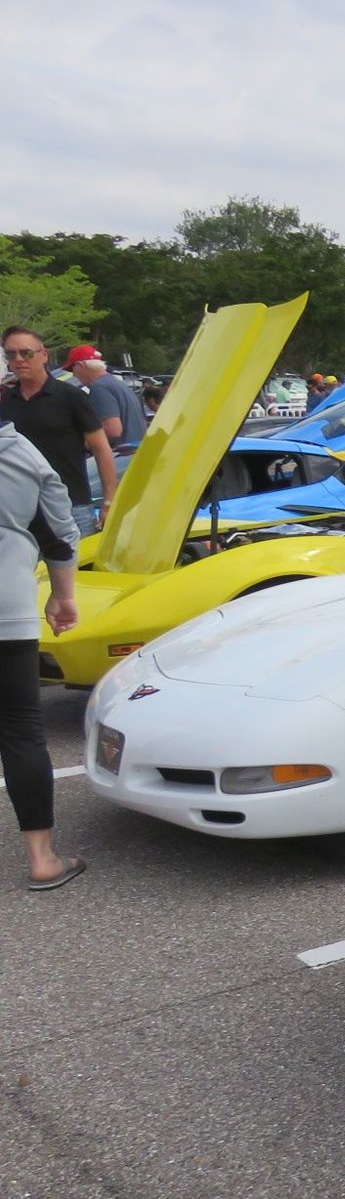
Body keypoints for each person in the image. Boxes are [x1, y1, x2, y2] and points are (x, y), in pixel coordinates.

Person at [0, 419, 84, 889]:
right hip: (6, 607)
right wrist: (62, 594)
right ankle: (42, 858)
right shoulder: (19, 454)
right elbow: (58, 529)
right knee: (20, 732)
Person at [0, 327, 118, 516]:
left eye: (26, 353)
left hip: (71, 507)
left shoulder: (71, 396)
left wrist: (109, 501)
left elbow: (101, 448)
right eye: (11, 354)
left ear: (43, 355)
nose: (19, 359)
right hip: (21, 511)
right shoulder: (5, 401)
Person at [65, 347, 149, 451]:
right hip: (138, 453)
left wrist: (84, 445)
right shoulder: (120, 385)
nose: (73, 374)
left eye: (71, 369)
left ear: (80, 365)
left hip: (122, 456)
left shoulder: (99, 387)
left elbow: (112, 430)